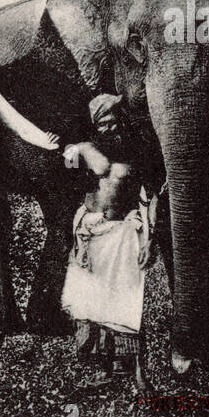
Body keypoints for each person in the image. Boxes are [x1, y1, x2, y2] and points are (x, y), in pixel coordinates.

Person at [62, 94, 158, 390]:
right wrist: (76, 149)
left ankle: (138, 371)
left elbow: (152, 196)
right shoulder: (83, 153)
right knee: (93, 302)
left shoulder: (137, 153)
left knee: (127, 301)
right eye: (102, 124)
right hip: (91, 232)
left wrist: (149, 239)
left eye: (113, 122)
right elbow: (61, 174)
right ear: (94, 126)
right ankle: (105, 370)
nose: (109, 129)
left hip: (124, 231)